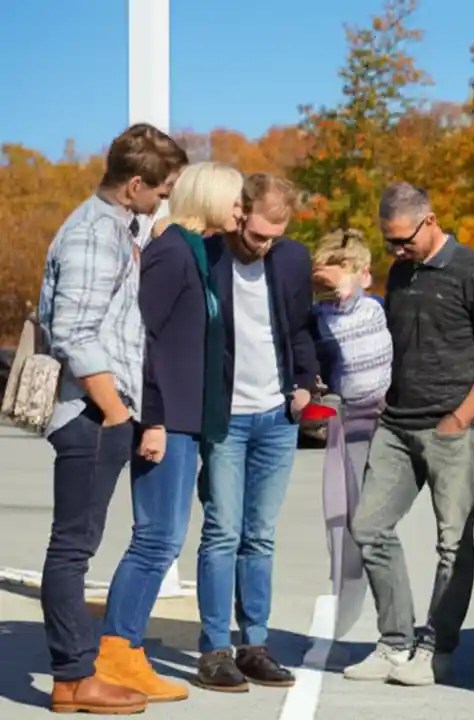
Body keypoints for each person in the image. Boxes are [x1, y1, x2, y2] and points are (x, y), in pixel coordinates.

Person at [337, 182, 474, 686]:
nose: (397, 250)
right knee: (368, 526)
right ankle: (395, 644)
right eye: (389, 241)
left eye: (403, 240)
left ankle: (436, 649)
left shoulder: (473, 271)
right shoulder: (400, 272)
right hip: (397, 424)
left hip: (456, 429)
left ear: (430, 221)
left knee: (451, 544)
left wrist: (460, 417)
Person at [36, 122, 187, 715]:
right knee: (72, 548)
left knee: (76, 545)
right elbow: (73, 331)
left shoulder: (115, 227)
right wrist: (117, 411)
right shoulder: (94, 235)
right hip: (90, 415)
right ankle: (73, 677)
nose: (164, 200)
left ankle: (72, 683)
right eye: (162, 190)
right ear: (133, 185)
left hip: (98, 411)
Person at [92, 162, 241, 704]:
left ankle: (126, 653)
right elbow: (142, 340)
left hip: (188, 418)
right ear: (210, 196)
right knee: (155, 539)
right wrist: (151, 417)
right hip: (164, 418)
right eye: (236, 200)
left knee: (163, 540)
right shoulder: (173, 252)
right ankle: (117, 655)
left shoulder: (197, 252)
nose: (242, 211)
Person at [194, 173, 319, 692]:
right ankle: (214, 651)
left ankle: (255, 646)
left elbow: (298, 327)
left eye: (275, 236)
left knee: (260, 536)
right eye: (257, 234)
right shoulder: (205, 254)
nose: (264, 245)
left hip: (276, 417)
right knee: (222, 532)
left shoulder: (290, 259)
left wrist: (306, 383)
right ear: (239, 213)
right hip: (225, 417)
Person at [310, 228, 393, 639]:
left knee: (379, 523)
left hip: (389, 424)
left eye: (355, 272)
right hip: (351, 427)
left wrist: (348, 283)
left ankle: (393, 622)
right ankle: (350, 603)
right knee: (350, 521)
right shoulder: (318, 317)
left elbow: (358, 300)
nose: (344, 283)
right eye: (334, 273)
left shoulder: (378, 310)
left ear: (365, 274)